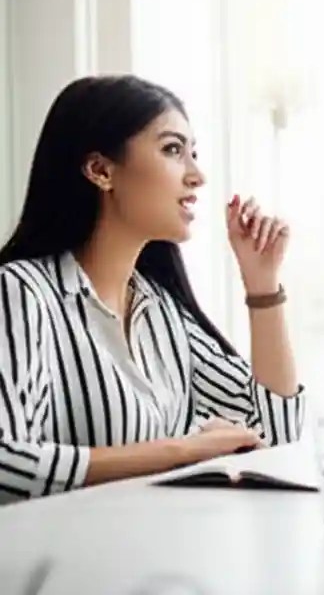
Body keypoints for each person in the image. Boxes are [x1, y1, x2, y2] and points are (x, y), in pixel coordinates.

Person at [0, 75, 304, 504]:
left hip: (152, 560)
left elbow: (276, 433)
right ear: (101, 170)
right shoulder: (21, 293)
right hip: (57, 566)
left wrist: (263, 284)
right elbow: (7, 463)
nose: (197, 175)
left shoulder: (161, 311)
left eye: (193, 153)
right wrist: (182, 450)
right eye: (173, 150)